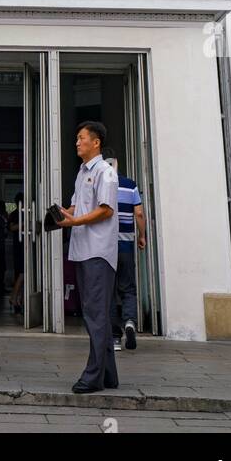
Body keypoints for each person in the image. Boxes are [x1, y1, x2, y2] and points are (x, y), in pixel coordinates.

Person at [57, 120, 119, 394]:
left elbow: (106, 210)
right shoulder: (82, 173)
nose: (77, 142)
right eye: (77, 138)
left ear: (96, 143)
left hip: (98, 252)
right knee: (95, 314)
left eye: (82, 138)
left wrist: (76, 221)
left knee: (95, 315)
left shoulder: (106, 173)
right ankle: (109, 375)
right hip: (83, 250)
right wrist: (61, 214)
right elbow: (75, 207)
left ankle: (92, 376)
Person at [107, 152, 146, 351]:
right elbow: (138, 213)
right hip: (126, 246)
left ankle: (115, 337)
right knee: (128, 288)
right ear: (117, 162)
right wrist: (142, 235)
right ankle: (130, 321)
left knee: (111, 291)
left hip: (106, 246)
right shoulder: (130, 185)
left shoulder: (100, 184)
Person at [9, 192, 24, 317]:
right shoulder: (15, 214)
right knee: (22, 273)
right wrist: (24, 225)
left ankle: (18, 299)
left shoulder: (28, 212)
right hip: (19, 246)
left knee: (24, 273)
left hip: (27, 245)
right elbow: (11, 228)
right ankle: (14, 297)